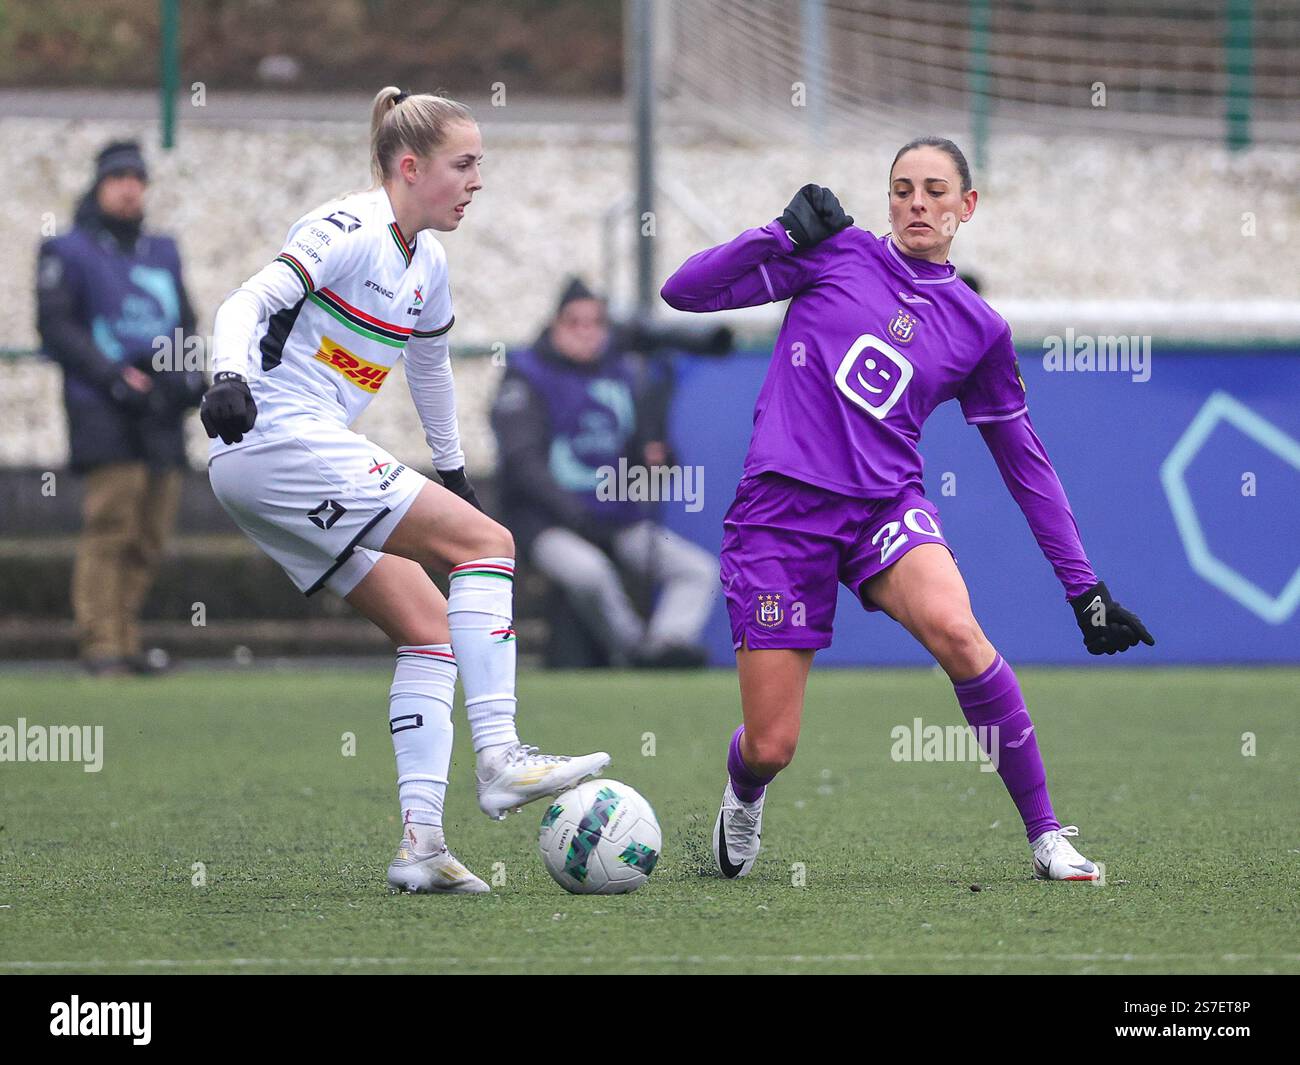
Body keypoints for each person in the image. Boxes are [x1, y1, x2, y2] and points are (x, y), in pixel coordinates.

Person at [661, 138, 1155, 882]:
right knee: (771, 744)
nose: (916, 202)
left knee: (960, 633)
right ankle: (744, 791)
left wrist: (1083, 587)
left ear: (967, 207)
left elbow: (1025, 464)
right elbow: (682, 291)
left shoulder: (979, 329)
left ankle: (1047, 834)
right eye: (901, 188)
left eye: (933, 190)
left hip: (884, 509)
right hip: (780, 514)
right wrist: (779, 233)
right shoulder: (835, 254)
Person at [200, 87, 609, 895]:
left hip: (277, 464)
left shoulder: (429, 263)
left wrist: (453, 472)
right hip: (278, 438)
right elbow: (244, 300)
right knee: (490, 546)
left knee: (430, 628)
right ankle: (501, 755)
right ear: (410, 166)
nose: (476, 181)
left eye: (480, 166)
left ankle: (421, 845)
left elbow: (427, 367)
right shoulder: (349, 228)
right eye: (464, 164)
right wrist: (226, 374)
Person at [35, 140, 205, 677]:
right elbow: (58, 327)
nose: (130, 188)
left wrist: (185, 378)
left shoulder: (162, 251)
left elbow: (186, 323)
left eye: (138, 178)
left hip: (161, 408)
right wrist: (114, 377)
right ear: (99, 184)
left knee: (151, 533)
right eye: (118, 178)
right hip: (102, 408)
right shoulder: (67, 251)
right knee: (111, 526)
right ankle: (101, 645)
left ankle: (127, 639)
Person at [491, 277, 717, 668]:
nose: (586, 332)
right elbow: (522, 463)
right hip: (547, 522)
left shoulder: (624, 373)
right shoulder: (525, 375)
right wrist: (574, 514)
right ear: (555, 325)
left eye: (595, 323)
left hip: (616, 516)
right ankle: (633, 649)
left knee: (698, 570)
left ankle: (667, 643)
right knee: (589, 573)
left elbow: (645, 458)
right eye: (574, 322)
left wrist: (658, 460)